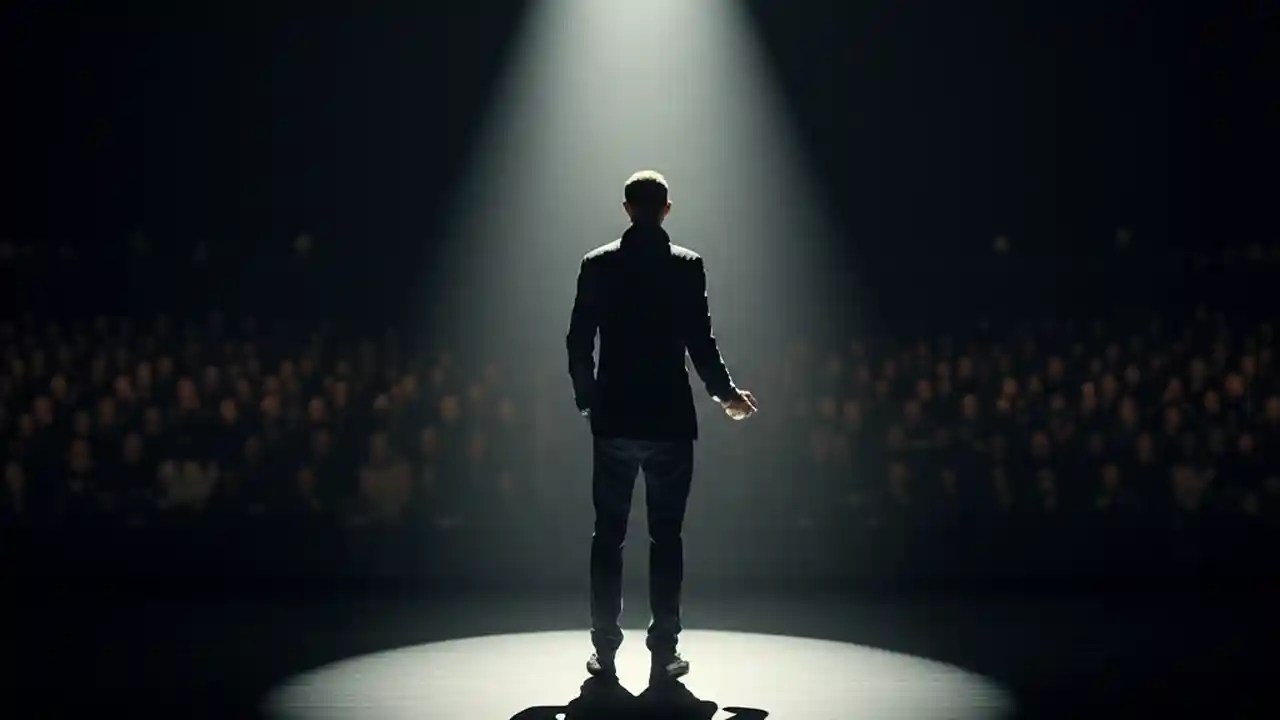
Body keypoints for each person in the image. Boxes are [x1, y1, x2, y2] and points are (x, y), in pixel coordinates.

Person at [566, 170, 759, 683]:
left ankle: (604, 649)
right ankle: (664, 647)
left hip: (615, 419)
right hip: (670, 419)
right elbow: (701, 341)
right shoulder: (686, 267)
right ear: (666, 208)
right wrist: (725, 396)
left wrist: (589, 399)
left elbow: (578, 339)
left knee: (607, 534)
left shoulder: (598, 265)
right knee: (666, 535)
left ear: (627, 207)